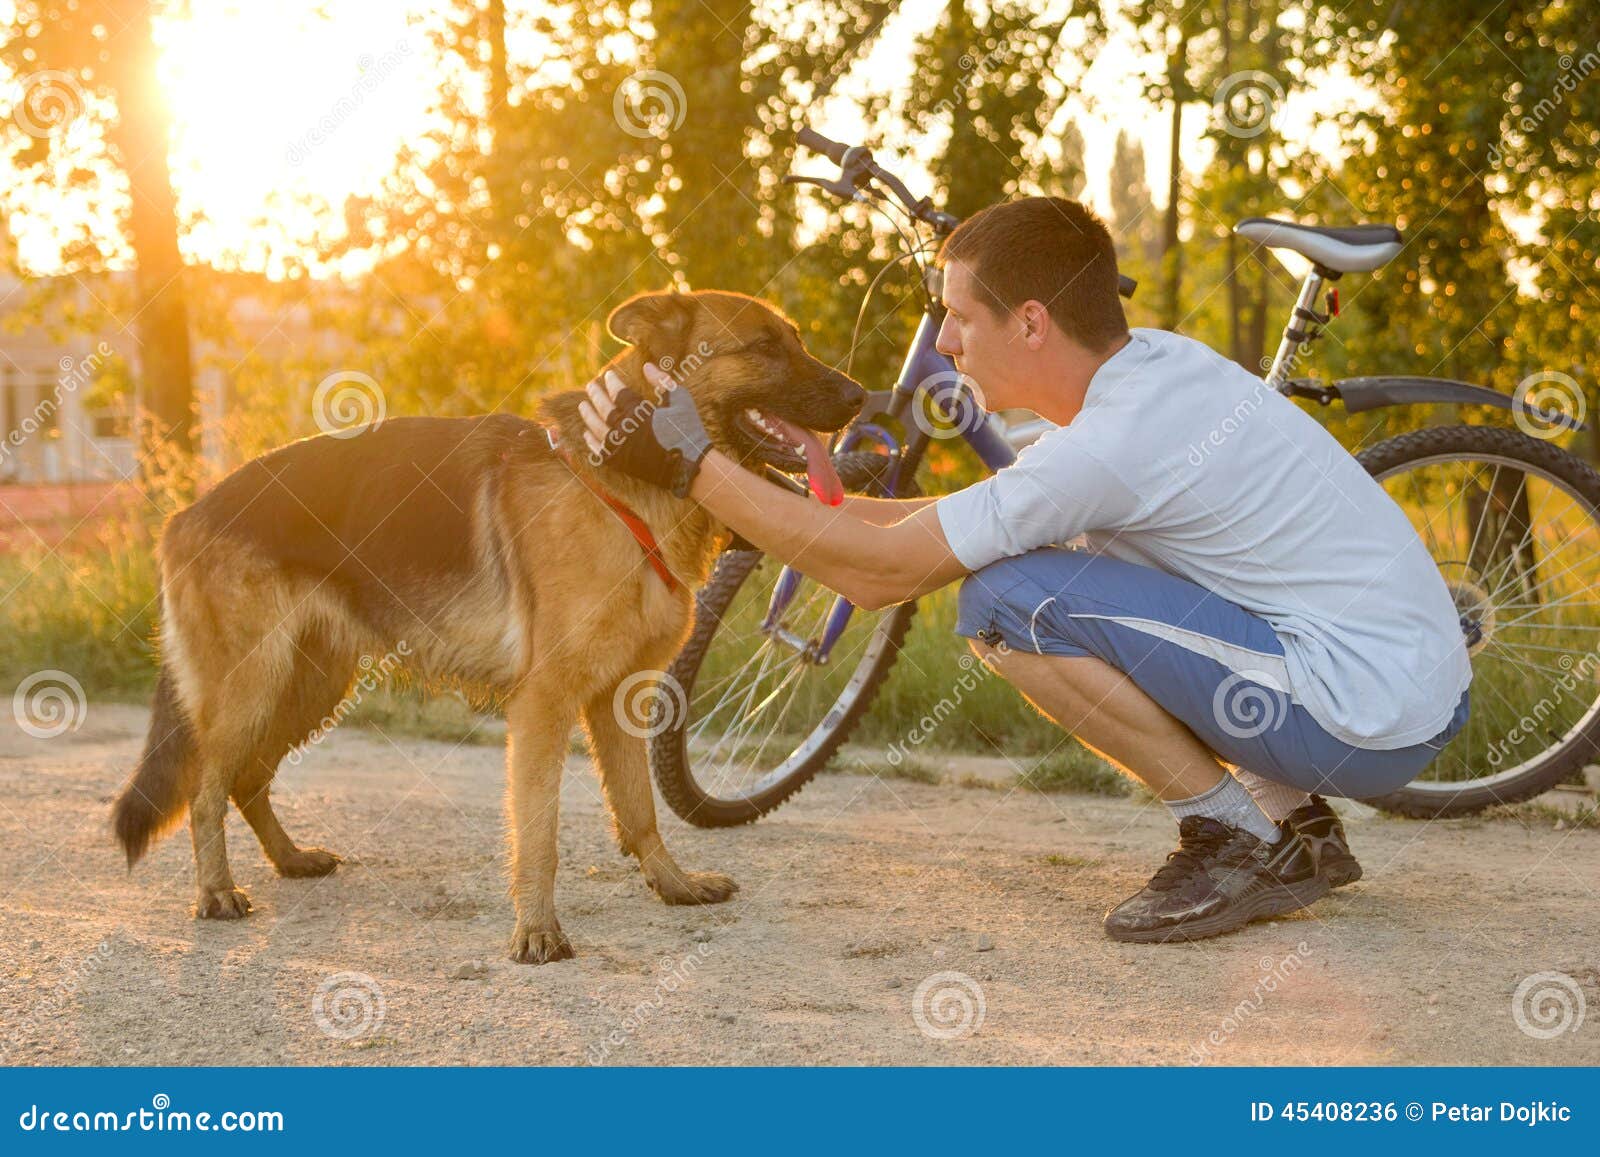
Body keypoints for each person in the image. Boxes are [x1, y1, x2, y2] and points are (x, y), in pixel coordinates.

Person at [578, 196, 1471, 943]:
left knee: (1009, 600)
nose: (951, 342)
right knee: (1047, 564)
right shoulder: (1151, 372)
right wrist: (768, 510)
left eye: (962, 318)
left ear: (1032, 322)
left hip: (1364, 713)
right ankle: (1296, 826)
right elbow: (920, 526)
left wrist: (694, 464)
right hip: (1385, 682)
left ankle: (1234, 841)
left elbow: (885, 575)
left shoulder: (1109, 445)